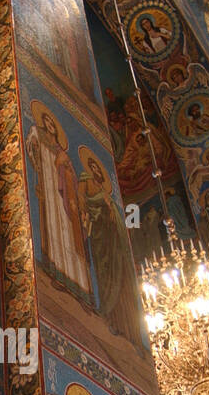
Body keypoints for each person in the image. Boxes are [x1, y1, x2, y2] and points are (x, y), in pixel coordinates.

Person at [26, 106, 90, 294]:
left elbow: (73, 179)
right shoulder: (41, 138)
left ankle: (77, 283)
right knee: (54, 227)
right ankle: (56, 271)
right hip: (52, 192)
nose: (49, 125)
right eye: (46, 123)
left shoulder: (62, 152)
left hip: (66, 197)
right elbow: (32, 146)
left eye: (51, 123)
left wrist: (65, 167)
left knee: (69, 233)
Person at [79, 155, 141, 344]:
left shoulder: (108, 195)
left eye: (99, 170)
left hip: (114, 240)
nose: (97, 172)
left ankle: (125, 325)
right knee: (106, 273)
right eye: (94, 169)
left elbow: (124, 217)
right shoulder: (85, 182)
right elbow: (83, 202)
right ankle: (108, 314)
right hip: (100, 237)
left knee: (121, 278)